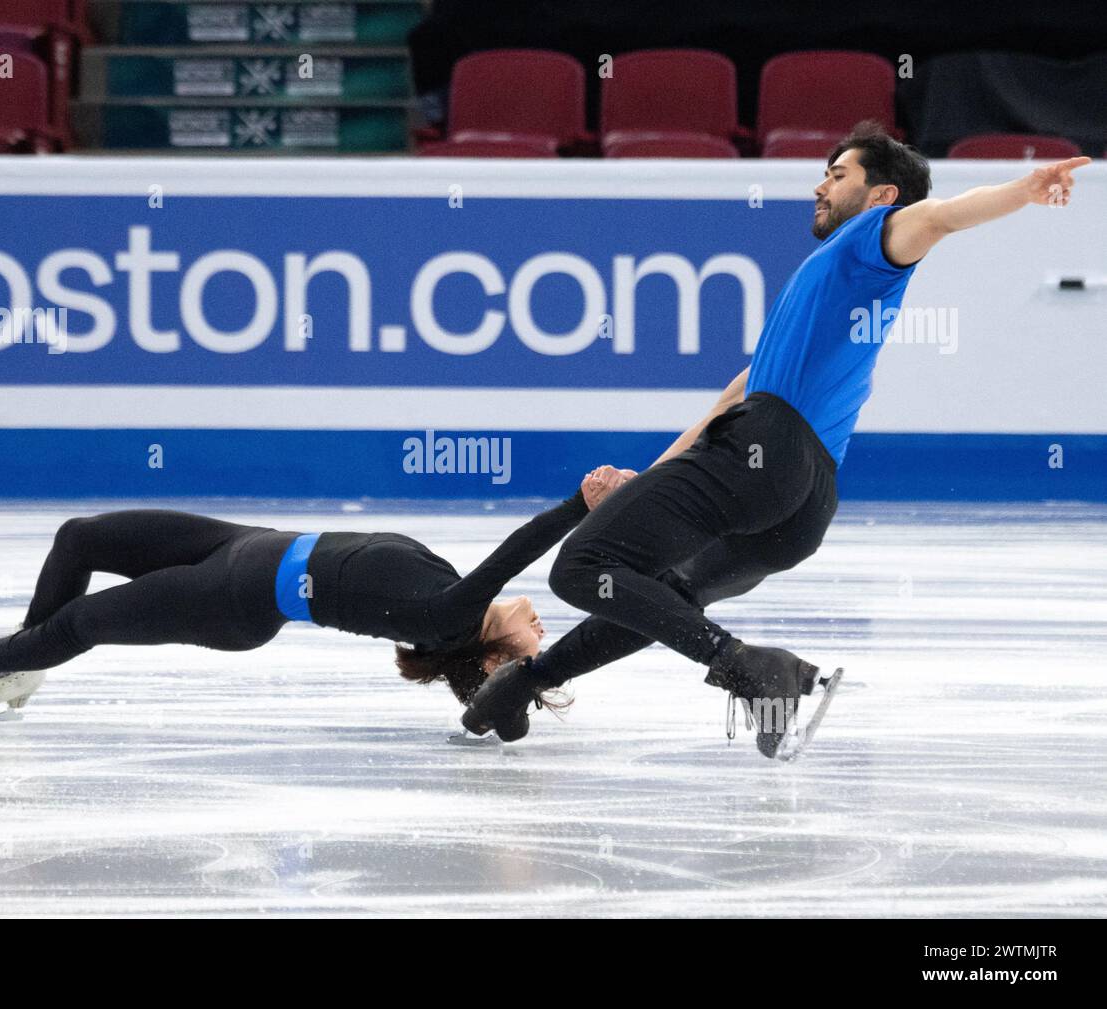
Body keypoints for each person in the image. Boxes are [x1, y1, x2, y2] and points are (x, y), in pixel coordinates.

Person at [463, 121, 1091, 757]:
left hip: (765, 454)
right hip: (806, 503)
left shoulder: (872, 241)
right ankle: (530, 682)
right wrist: (647, 480)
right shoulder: (824, 293)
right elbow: (729, 399)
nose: (820, 185)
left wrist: (1025, 188)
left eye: (838, 174)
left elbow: (942, 216)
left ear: (880, 196)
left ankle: (750, 667)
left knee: (581, 567)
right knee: (667, 595)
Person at [0, 466, 634, 714]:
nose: (538, 619)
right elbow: (507, 568)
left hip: (233, 605)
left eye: (534, 639)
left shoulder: (449, 619)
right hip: (242, 544)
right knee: (80, 536)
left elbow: (516, 552)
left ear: (497, 656)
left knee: (84, 621)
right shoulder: (451, 596)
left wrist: (577, 503)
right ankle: (22, 661)